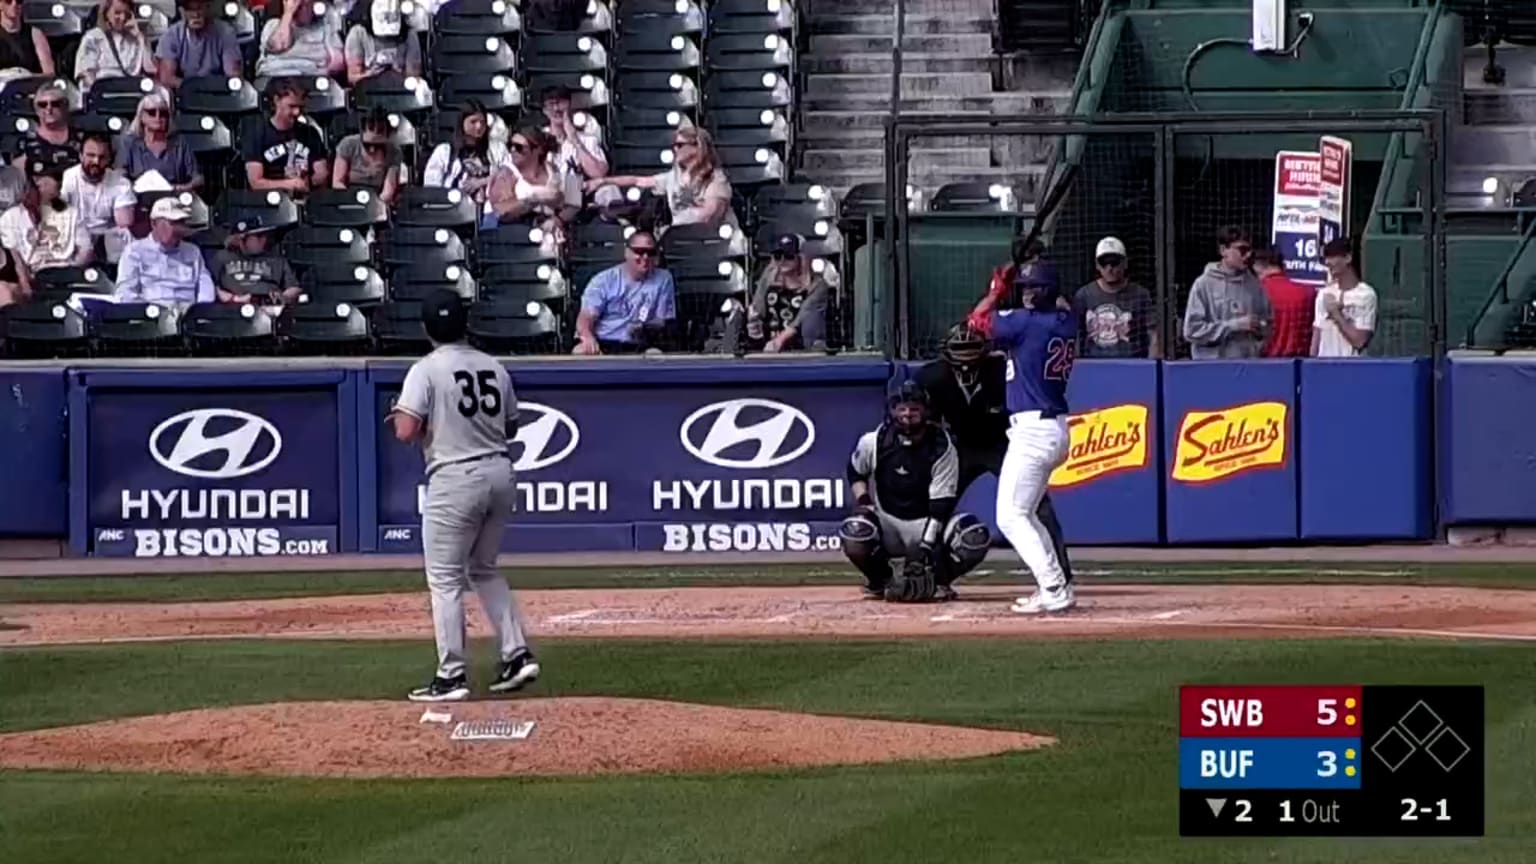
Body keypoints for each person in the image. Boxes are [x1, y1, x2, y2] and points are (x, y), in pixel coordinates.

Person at [387, 289, 541, 702]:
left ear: (426, 328)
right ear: (464, 324)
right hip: (500, 473)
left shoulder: (426, 369)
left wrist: (405, 415)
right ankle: (517, 654)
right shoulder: (493, 366)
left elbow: (405, 431)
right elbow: (511, 427)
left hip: (455, 477)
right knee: (484, 569)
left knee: (444, 579)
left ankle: (451, 675)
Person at [914, 321, 1074, 587]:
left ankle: (1061, 575)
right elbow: (916, 412)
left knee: (1038, 506)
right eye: (959, 348)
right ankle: (931, 573)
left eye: (971, 347)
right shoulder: (931, 376)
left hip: (1001, 445)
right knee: (937, 506)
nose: (966, 355)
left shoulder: (1001, 370)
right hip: (957, 447)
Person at [968, 260, 1078, 614]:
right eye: (1025, 288)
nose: (1028, 294)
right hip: (1052, 427)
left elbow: (975, 323)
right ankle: (1056, 584)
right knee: (1025, 513)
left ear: (1049, 290)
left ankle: (1053, 588)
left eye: (1035, 288)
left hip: (1034, 430)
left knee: (1011, 517)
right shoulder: (1066, 320)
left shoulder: (1027, 323)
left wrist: (995, 292)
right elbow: (1054, 307)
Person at [839, 380, 991, 603]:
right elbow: (855, 472)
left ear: (926, 412)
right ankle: (881, 581)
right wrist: (865, 502)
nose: (907, 415)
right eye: (902, 409)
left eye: (914, 409)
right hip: (888, 521)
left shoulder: (943, 447)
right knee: (855, 529)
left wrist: (925, 548)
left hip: (928, 522)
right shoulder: (874, 441)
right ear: (892, 411)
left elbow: (941, 506)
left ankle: (939, 581)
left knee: (974, 536)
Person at [594, 126, 737, 232]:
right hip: (680, 236)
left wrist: (674, 226)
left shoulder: (716, 179)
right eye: (674, 145)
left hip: (712, 238)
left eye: (680, 145)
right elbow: (639, 181)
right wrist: (604, 181)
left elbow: (709, 215)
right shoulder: (673, 177)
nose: (675, 149)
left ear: (697, 147)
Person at [573, 229, 675, 355]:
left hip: (640, 344)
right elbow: (586, 316)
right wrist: (588, 337)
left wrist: (646, 328)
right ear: (627, 253)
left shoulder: (663, 279)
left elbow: (663, 320)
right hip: (604, 341)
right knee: (580, 351)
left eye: (650, 252)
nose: (645, 257)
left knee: (656, 354)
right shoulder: (604, 280)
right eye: (639, 251)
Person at [1182, 225, 1270, 359]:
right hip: (1212, 366)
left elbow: (1268, 323)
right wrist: (1233, 326)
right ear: (1223, 250)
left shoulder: (1254, 285)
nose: (1248, 255)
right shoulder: (1203, 284)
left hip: (1246, 365)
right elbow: (1191, 331)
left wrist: (1259, 334)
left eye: (1250, 250)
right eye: (1242, 250)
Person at [112, 196, 216, 305]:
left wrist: (200, 310)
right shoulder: (135, 252)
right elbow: (125, 293)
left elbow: (206, 289)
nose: (176, 229)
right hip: (151, 311)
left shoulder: (192, 252)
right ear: (154, 224)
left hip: (188, 310)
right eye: (171, 223)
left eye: (180, 222)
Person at [742, 233, 831, 352]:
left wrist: (780, 340)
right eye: (778, 256)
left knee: (811, 322)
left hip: (803, 343)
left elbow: (802, 318)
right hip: (769, 341)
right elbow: (757, 308)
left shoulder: (816, 285)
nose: (783, 261)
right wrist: (752, 321)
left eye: (789, 256)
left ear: (801, 258)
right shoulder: (768, 279)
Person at [1073, 236, 1158, 358]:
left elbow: (1153, 335)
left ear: (1125, 263)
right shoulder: (1084, 295)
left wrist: (1150, 365)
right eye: (1104, 263)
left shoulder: (1140, 295)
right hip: (1093, 364)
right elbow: (1075, 336)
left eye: (1114, 262)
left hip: (1132, 364)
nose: (1109, 268)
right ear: (1097, 265)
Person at [242, 79, 330, 195]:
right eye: (292, 106)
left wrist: (311, 180)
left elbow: (321, 172)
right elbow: (256, 182)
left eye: (300, 107)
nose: (297, 112)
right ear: (276, 100)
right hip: (270, 199)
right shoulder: (257, 133)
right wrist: (289, 184)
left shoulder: (310, 133)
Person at [0, 164, 92, 275]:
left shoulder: (72, 214)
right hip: (33, 276)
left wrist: (70, 267)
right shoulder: (9, 218)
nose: (26, 196)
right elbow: (14, 259)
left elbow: (86, 250)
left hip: (67, 271)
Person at [61, 133, 135, 262]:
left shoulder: (121, 182)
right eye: (91, 155)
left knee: (123, 236)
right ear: (81, 156)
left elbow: (124, 222)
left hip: (107, 236)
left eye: (102, 157)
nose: (96, 161)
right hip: (77, 232)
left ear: (109, 159)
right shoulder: (69, 177)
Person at [486, 125, 576, 232]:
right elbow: (499, 211)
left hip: (549, 227)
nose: (513, 150)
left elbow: (575, 202)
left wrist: (558, 219)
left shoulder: (554, 168)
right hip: (514, 229)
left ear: (538, 149)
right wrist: (534, 198)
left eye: (519, 147)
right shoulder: (506, 173)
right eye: (510, 145)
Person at [422, 101, 510, 206]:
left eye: (482, 122)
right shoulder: (444, 152)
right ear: (462, 123)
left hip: (490, 206)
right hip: (450, 207)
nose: (479, 126)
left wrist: (482, 182)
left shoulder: (498, 149)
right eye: (473, 122)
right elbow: (431, 188)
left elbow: (510, 175)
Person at [117, 88, 202, 193]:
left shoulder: (180, 143)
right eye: (152, 112)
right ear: (141, 117)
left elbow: (197, 178)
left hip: (172, 195)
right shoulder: (129, 143)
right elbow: (120, 175)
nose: (158, 117)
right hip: (137, 196)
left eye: (163, 113)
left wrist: (183, 188)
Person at [540, 85, 609, 202]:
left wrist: (574, 139)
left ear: (570, 105)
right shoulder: (536, 138)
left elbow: (598, 173)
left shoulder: (588, 140)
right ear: (545, 110)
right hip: (545, 195)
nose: (556, 108)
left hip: (579, 196)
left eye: (561, 103)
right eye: (551, 104)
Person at [212, 214, 300, 306]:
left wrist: (283, 297)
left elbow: (293, 287)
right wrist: (233, 299)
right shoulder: (221, 257)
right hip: (230, 309)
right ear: (240, 239)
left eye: (265, 235)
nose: (264, 239)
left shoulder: (276, 259)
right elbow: (211, 286)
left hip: (269, 307)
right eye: (259, 236)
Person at [1312, 236, 1377, 358]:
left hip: (1350, 365)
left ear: (1347, 258)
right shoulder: (1324, 294)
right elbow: (1316, 337)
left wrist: (1336, 314)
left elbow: (1360, 341)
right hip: (1323, 364)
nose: (1327, 262)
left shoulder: (1366, 295)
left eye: (1332, 257)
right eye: (1326, 258)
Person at [155, 0, 243, 86]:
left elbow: (232, 74)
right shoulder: (171, 35)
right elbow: (167, 78)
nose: (196, 15)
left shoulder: (225, 32)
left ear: (208, 8)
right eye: (190, 10)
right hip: (183, 89)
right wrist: (195, 87)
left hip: (217, 88)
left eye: (200, 8)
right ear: (182, 12)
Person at [256, 0, 346, 81]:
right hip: (273, 77)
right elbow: (280, 45)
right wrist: (288, 14)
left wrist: (321, 72)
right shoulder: (273, 25)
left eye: (305, 3)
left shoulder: (325, 29)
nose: (300, 5)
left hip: (311, 81)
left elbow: (338, 64)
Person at [74, 0, 156, 89]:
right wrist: (98, 87)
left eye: (126, 13)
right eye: (117, 13)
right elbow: (85, 73)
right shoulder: (94, 37)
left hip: (130, 88)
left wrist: (140, 37)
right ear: (106, 14)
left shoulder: (135, 39)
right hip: (103, 87)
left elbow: (151, 69)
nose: (123, 17)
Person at [1252, 245, 1314, 358]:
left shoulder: (1256, 292)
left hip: (1263, 361)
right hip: (1300, 362)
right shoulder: (1308, 293)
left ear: (1257, 268)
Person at [331, 107, 403, 204]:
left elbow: (388, 191)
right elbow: (337, 182)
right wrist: (349, 201)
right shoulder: (348, 144)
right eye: (371, 127)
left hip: (377, 199)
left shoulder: (393, 151)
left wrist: (376, 205)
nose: (376, 131)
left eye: (380, 129)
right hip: (349, 197)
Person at [344, 0, 423, 82]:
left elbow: (413, 77)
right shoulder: (358, 33)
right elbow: (353, 78)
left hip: (400, 86)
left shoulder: (409, 35)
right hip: (367, 86)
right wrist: (370, 75)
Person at [17, 83, 81, 174]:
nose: (49, 108)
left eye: (55, 104)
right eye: (43, 105)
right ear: (36, 110)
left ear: (65, 106)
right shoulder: (25, 143)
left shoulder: (81, 139)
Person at [0, 0, 54, 75]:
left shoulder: (35, 34)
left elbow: (49, 72)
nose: (14, 4)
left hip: (29, 80)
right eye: (8, 1)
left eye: (19, 1)